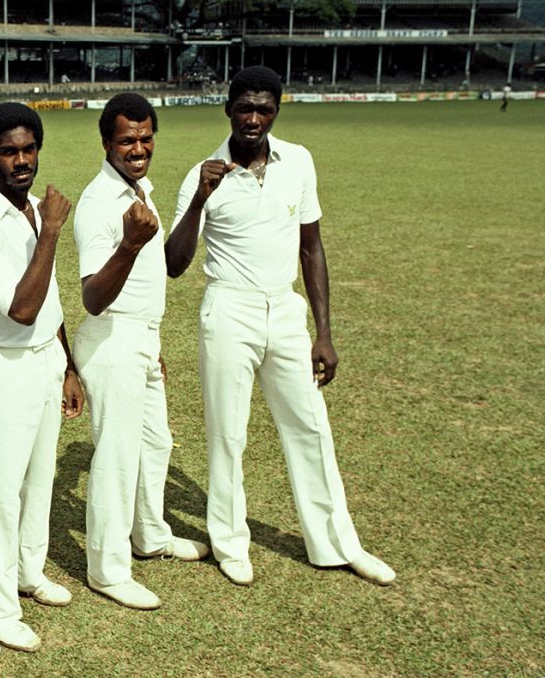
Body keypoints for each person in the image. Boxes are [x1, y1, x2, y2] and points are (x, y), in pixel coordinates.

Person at [165, 66, 395, 588]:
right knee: (228, 434)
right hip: (229, 310)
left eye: (264, 109)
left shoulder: (299, 161)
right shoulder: (203, 174)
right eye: (244, 108)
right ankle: (229, 544)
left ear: (276, 111)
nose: (253, 119)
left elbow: (312, 248)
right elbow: (174, 263)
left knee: (311, 428)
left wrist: (324, 332)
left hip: (286, 311)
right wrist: (200, 197)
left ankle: (338, 545)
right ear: (227, 109)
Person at [72, 93, 209, 612]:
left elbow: (162, 270)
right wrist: (129, 244)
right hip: (112, 338)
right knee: (117, 456)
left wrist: (150, 341)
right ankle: (107, 570)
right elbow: (93, 296)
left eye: (146, 138)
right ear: (106, 142)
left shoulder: (140, 190)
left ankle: (149, 534)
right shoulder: (97, 203)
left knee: (156, 444)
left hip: (141, 339)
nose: (138, 148)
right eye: (127, 140)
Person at [0, 103, 84, 652]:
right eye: (9, 152)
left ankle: (28, 572)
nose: (22, 161)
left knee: (40, 479)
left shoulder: (37, 208)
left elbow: (51, 301)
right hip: (5, 364)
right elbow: (20, 308)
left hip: (46, 361)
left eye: (29, 149)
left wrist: (69, 366)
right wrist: (52, 232)